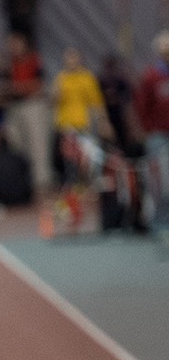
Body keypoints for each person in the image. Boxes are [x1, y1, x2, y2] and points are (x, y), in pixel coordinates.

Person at [51, 48, 112, 229]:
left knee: (85, 170)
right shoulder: (61, 78)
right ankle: (68, 208)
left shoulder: (86, 78)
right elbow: (53, 100)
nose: (71, 62)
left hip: (83, 131)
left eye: (74, 58)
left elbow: (97, 103)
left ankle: (77, 207)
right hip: (66, 131)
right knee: (69, 170)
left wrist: (103, 123)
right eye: (68, 59)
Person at [4, 31, 52, 195]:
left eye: (15, 43)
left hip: (32, 106)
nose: (12, 47)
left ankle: (41, 185)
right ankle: (22, 183)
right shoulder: (11, 63)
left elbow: (40, 84)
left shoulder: (33, 60)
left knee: (37, 146)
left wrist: (20, 88)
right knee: (16, 145)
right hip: (15, 107)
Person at [134, 30, 169, 242]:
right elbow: (141, 106)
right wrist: (148, 128)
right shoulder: (151, 76)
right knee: (158, 182)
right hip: (158, 135)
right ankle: (159, 224)